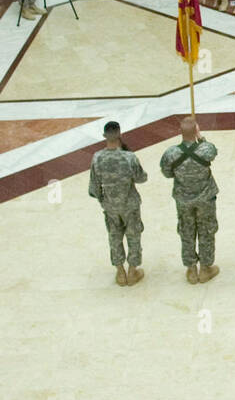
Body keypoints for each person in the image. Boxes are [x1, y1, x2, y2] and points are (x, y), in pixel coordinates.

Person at [159, 116, 220, 285]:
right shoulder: (205, 149)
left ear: (180, 132)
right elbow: (213, 152)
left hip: (183, 198)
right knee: (206, 231)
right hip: (205, 198)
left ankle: (191, 269)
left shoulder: (171, 153)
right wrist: (200, 138)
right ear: (196, 131)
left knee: (186, 232)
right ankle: (206, 268)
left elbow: (166, 173)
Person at [88, 121, 147, 287]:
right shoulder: (129, 157)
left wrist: (103, 200)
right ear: (120, 134)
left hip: (110, 206)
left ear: (104, 136)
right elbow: (141, 178)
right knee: (133, 236)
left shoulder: (97, 158)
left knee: (114, 237)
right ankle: (132, 270)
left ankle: (120, 272)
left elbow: (93, 187)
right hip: (130, 204)